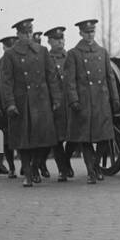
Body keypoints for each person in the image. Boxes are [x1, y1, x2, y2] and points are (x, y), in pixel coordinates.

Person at [0, 18, 62, 187]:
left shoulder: (42, 51)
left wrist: (56, 99)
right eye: (24, 33)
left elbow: (51, 77)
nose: (28, 35)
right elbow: (6, 82)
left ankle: (35, 166)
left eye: (30, 32)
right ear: (18, 35)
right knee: (23, 142)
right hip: (22, 104)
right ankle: (27, 173)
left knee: (45, 141)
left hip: (41, 102)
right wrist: (10, 103)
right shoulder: (10, 55)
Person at [63, 18, 119, 183]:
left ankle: (95, 165)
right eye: (86, 32)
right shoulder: (73, 54)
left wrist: (114, 98)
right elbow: (69, 80)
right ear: (80, 33)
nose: (89, 35)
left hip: (101, 101)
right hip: (84, 102)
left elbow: (110, 78)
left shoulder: (102, 52)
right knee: (85, 140)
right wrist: (73, 100)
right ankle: (91, 172)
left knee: (104, 137)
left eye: (92, 32)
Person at [45, 26, 75, 180]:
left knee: (73, 138)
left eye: (62, 39)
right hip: (54, 106)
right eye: (56, 39)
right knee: (57, 140)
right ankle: (62, 169)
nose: (60, 42)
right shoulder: (46, 59)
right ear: (49, 41)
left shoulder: (70, 57)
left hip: (70, 105)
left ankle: (66, 161)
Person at [0, 37, 18, 177]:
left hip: (17, 107)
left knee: (20, 139)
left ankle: (25, 165)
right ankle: (6, 165)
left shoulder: (19, 64)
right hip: (2, 110)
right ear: (4, 49)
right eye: (8, 48)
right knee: (2, 141)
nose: (10, 51)